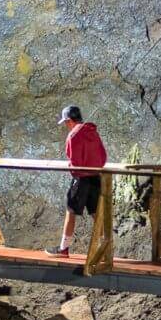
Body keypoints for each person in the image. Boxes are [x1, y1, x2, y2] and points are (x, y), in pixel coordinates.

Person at [46, 105, 107, 257]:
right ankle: (105, 249)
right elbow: (103, 157)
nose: (66, 125)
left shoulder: (73, 135)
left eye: (66, 122)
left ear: (69, 120)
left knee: (71, 212)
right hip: (96, 177)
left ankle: (63, 249)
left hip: (81, 179)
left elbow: (74, 162)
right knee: (95, 213)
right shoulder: (93, 132)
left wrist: (71, 168)